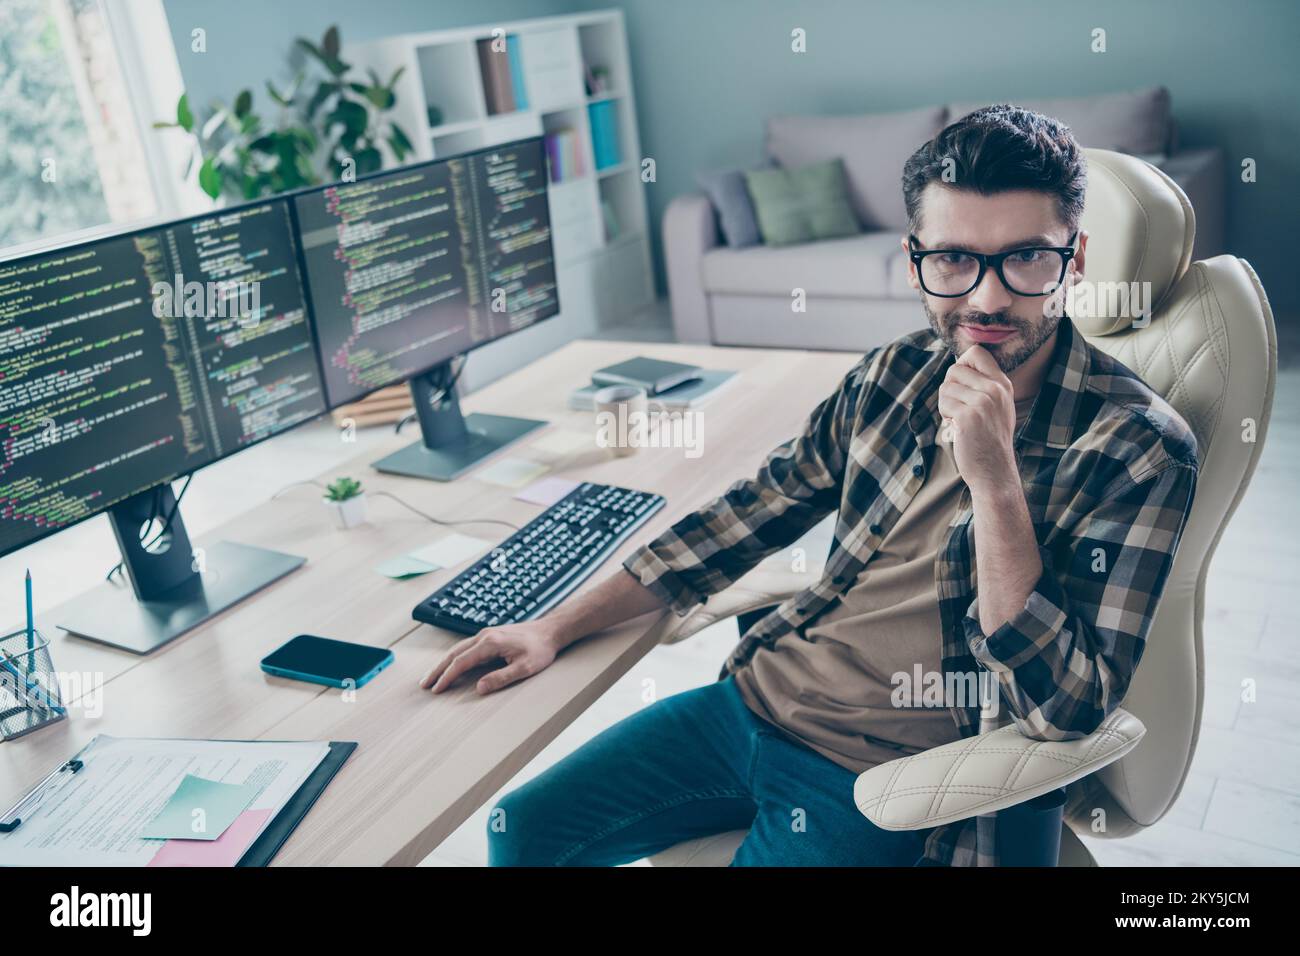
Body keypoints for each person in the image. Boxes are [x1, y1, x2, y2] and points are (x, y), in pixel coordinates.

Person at [420, 104, 1199, 866]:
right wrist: (553, 626)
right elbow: (745, 515)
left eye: (1027, 258)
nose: (989, 299)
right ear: (914, 261)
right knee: (515, 833)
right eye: (955, 259)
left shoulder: (1138, 449)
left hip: (885, 776)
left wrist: (996, 486)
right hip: (756, 700)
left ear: (1079, 258)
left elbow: (1066, 709)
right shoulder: (893, 375)